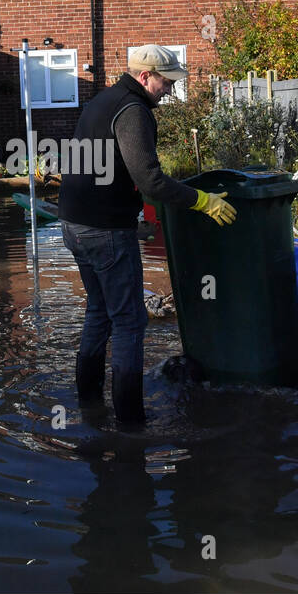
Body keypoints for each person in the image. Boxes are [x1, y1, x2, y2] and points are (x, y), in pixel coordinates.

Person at [58, 44, 236, 424]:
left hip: (74, 224)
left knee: (98, 312)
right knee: (128, 321)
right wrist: (201, 200)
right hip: (103, 232)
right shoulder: (132, 110)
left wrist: (126, 214)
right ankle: (130, 422)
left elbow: (90, 165)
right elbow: (150, 180)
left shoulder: (102, 101)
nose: (170, 89)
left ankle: (88, 403)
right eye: (166, 81)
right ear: (145, 77)